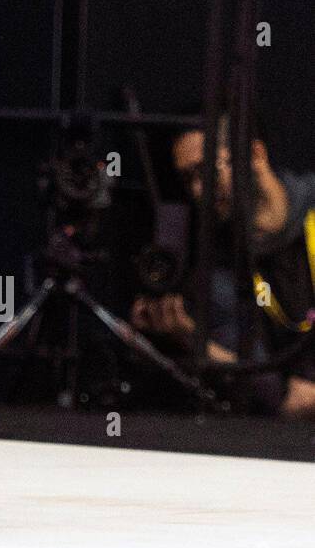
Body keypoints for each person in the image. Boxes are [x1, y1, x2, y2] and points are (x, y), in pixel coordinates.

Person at [131, 116, 315, 419]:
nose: (199, 191)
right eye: (188, 179)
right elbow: (279, 397)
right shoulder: (217, 272)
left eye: (206, 170)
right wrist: (192, 338)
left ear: (255, 155)